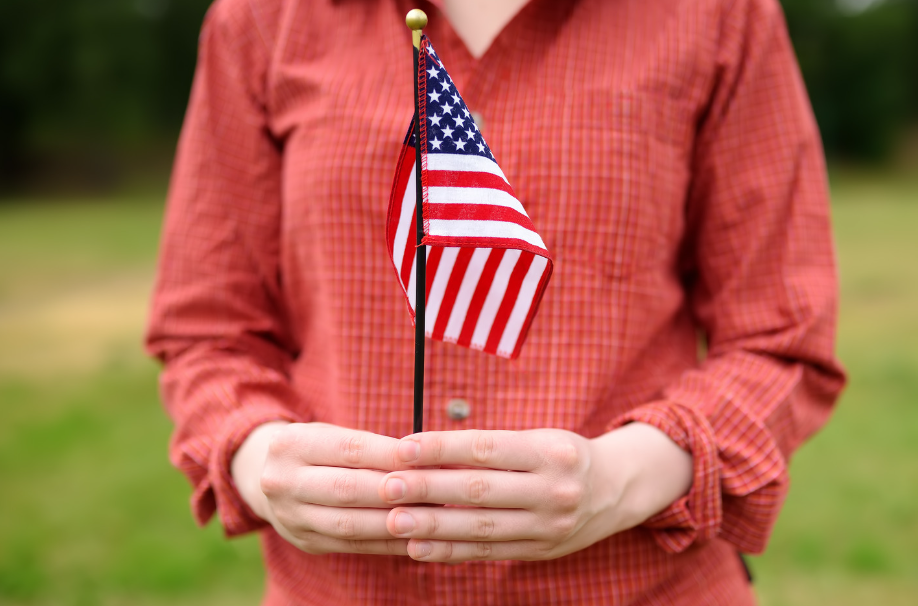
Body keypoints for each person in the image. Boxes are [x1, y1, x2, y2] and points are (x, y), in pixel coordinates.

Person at [145, 0, 846, 604]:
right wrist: (260, 459)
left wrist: (622, 478)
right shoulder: (265, 18)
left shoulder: (716, 14)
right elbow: (206, 330)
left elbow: (781, 336)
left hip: (641, 587)